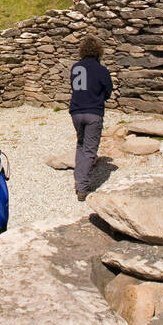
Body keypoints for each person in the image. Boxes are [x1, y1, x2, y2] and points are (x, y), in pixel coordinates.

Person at [69, 34, 113, 201]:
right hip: (93, 112)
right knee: (89, 149)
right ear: (99, 51)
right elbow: (108, 92)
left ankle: (78, 177)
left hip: (76, 112)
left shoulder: (75, 68)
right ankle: (82, 187)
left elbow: (74, 87)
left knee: (81, 144)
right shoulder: (101, 70)